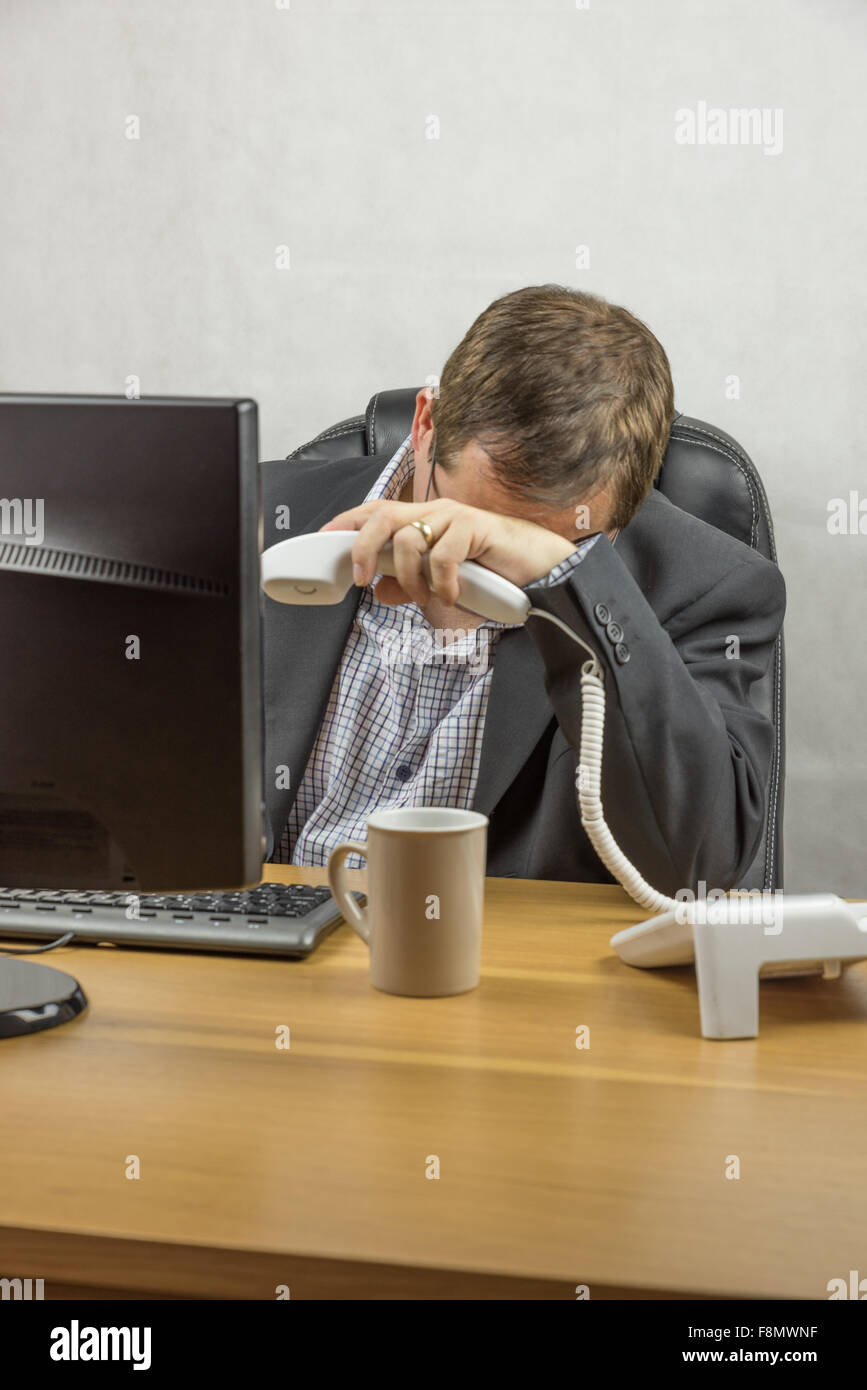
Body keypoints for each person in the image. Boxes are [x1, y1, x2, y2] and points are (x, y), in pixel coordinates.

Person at [263, 285, 785, 896]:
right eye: (465, 519)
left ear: (627, 510)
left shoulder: (710, 587)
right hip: (259, 952)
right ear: (427, 423)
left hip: (497, 967)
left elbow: (697, 865)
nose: (478, 566)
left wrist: (567, 582)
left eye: (518, 545)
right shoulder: (253, 512)